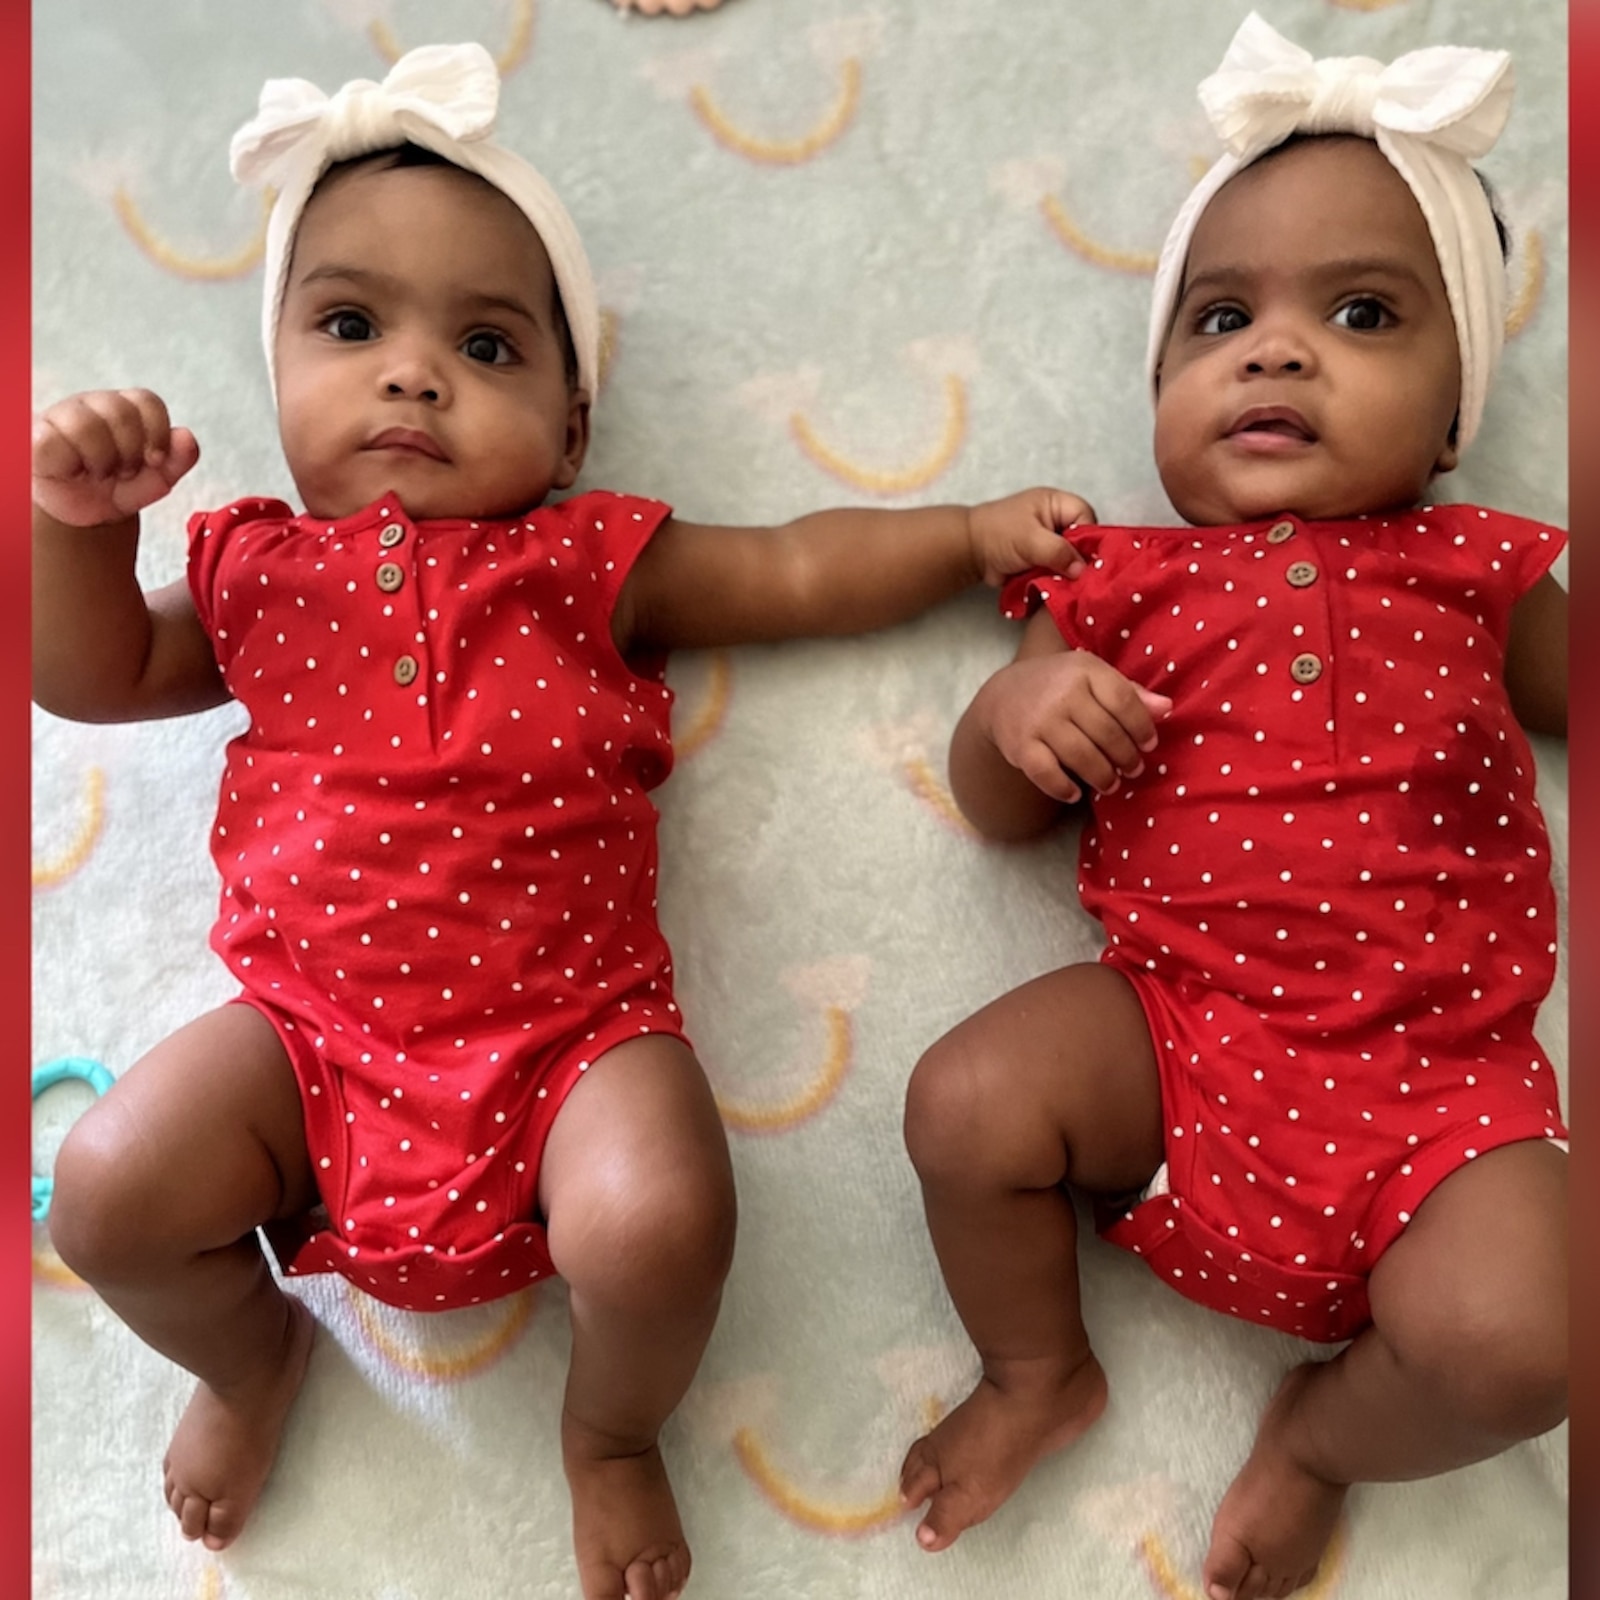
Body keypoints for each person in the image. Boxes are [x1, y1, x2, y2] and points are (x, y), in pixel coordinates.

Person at [31, 43, 1092, 1600]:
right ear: (278, 370)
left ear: (573, 428)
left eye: (484, 344)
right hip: (309, 1043)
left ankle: (609, 1432)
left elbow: (797, 567)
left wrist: (965, 533)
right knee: (113, 1192)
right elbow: (93, 674)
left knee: (662, 1221)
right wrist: (76, 531)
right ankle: (251, 1360)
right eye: (350, 325)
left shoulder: (582, 561)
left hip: (569, 1042)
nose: (413, 373)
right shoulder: (263, 574)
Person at [896, 16, 1568, 1600]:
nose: (1276, 351)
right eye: (1221, 318)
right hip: (1179, 1026)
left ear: (1454, 415)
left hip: (1444, 1083)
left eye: (1360, 313)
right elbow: (995, 805)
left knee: (1539, 1340)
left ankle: (1326, 1437)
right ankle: (1037, 1368)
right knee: (966, 1104)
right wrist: (1014, 721)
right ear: (1162, 386)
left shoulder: (1480, 567)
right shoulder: (1117, 580)